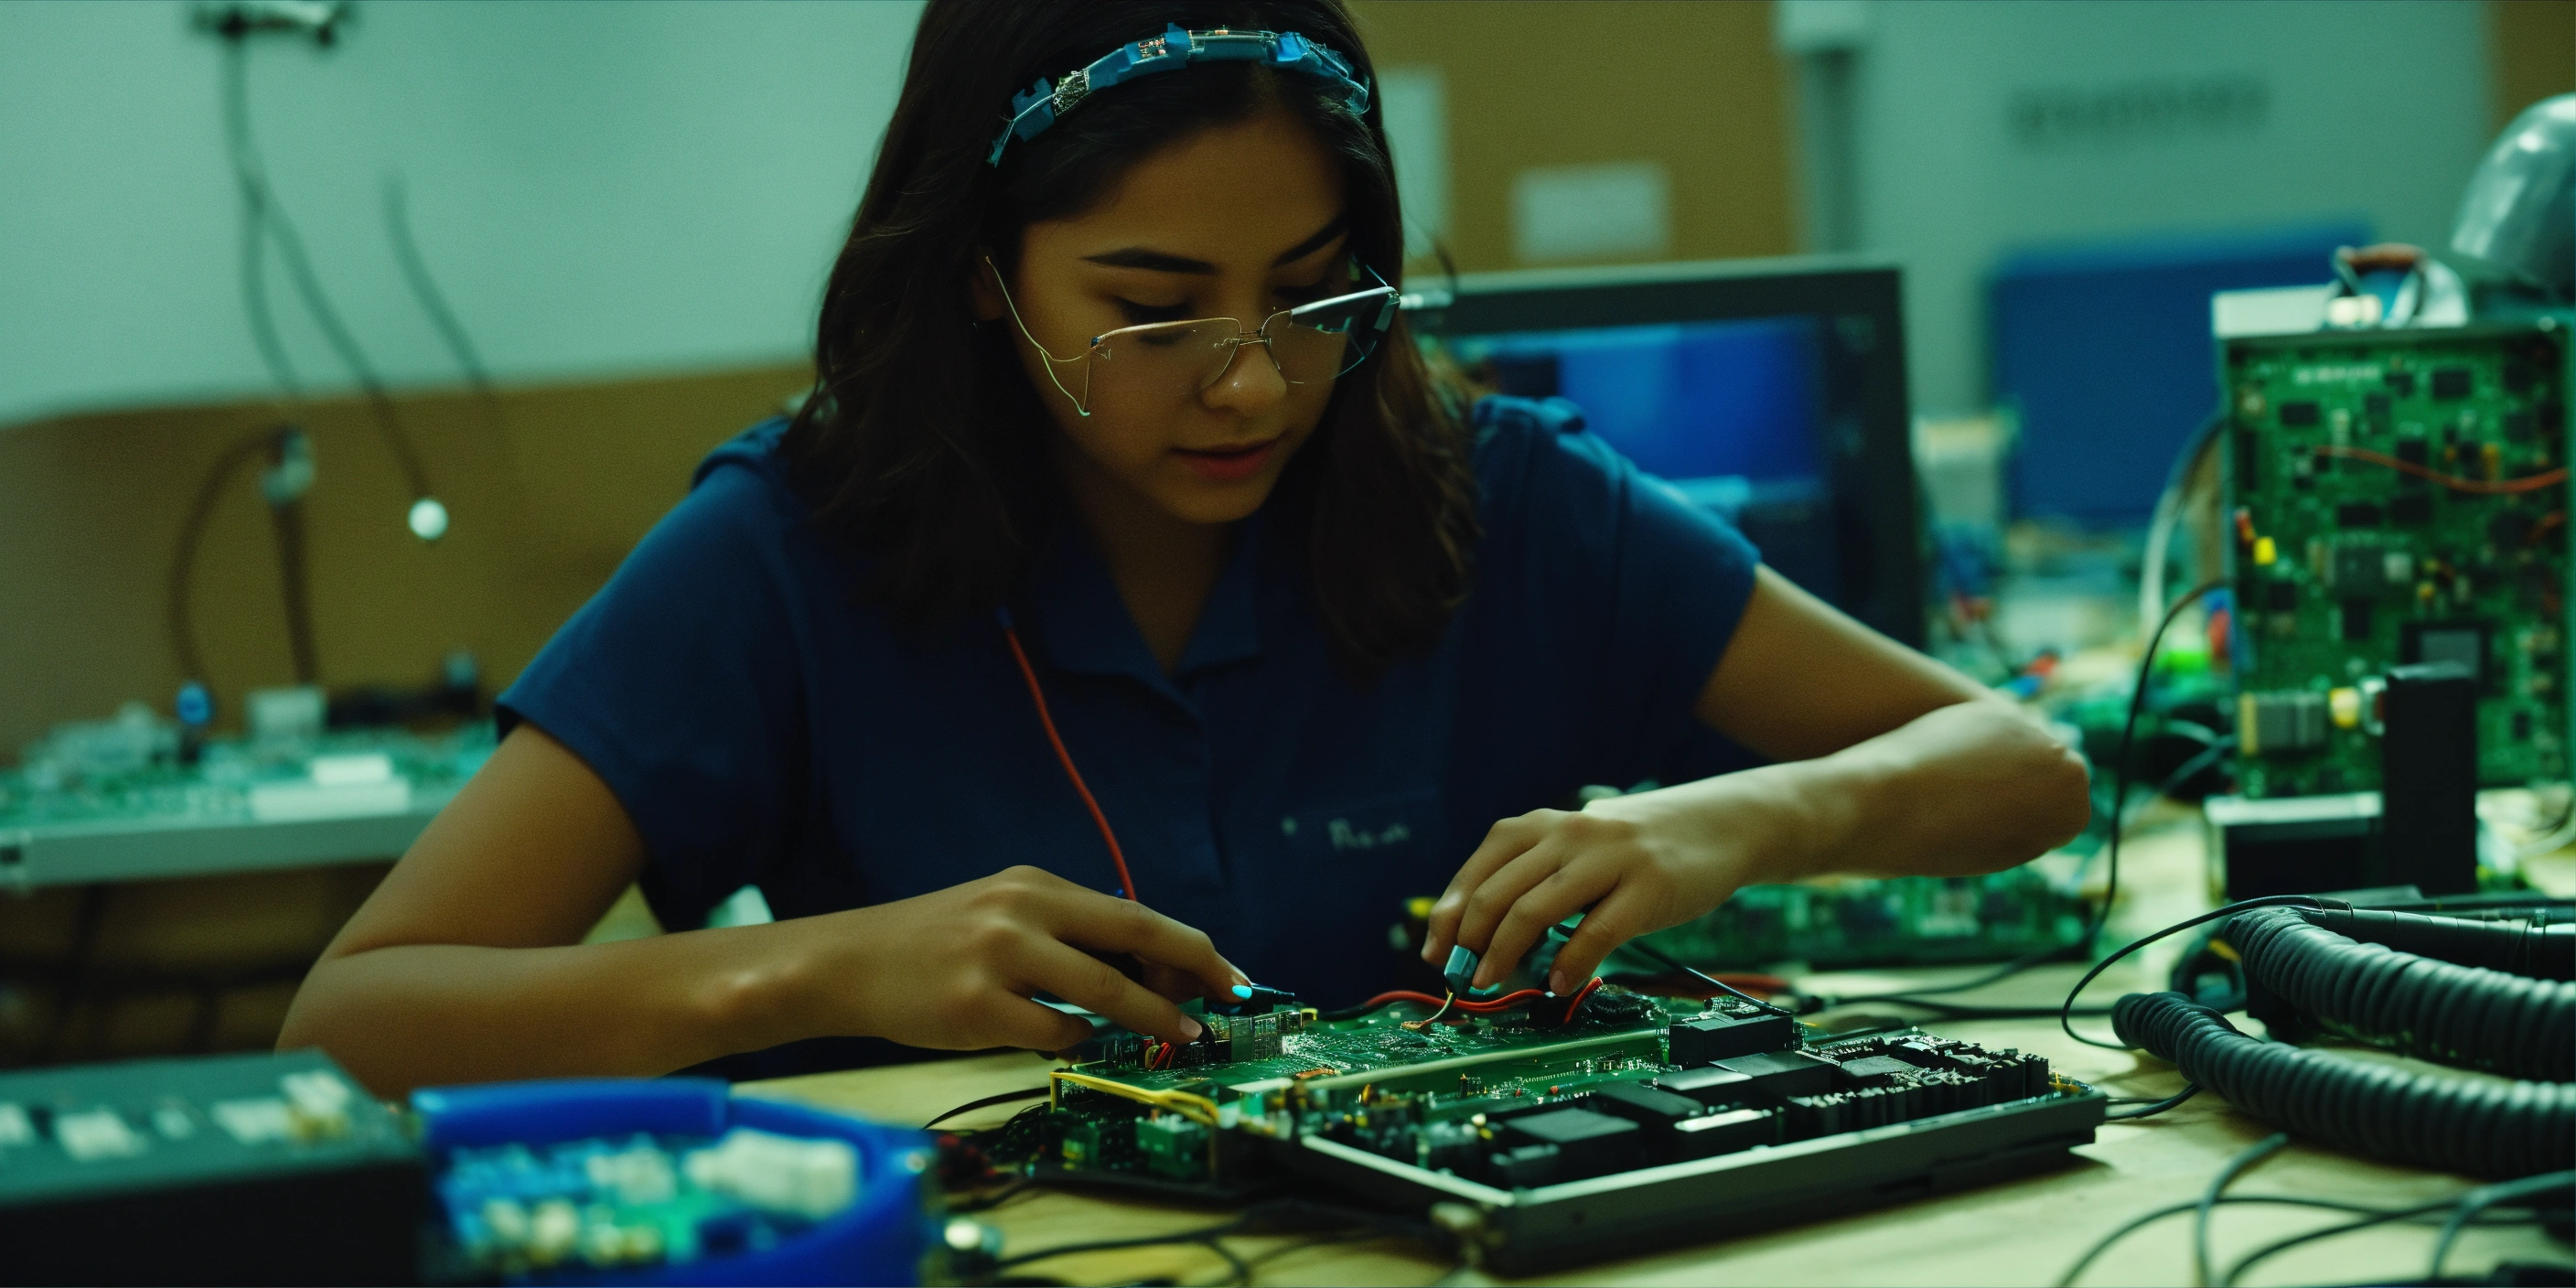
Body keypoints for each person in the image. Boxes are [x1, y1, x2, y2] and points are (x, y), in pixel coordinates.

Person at [279, 0, 2089, 1097]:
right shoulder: (782, 554)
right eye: (1150, 313)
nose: (1249, 382)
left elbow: (2020, 766)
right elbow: (350, 1018)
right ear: (982, 281)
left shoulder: (1496, 495)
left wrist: (1736, 818)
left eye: (1316, 298)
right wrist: (815, 969)